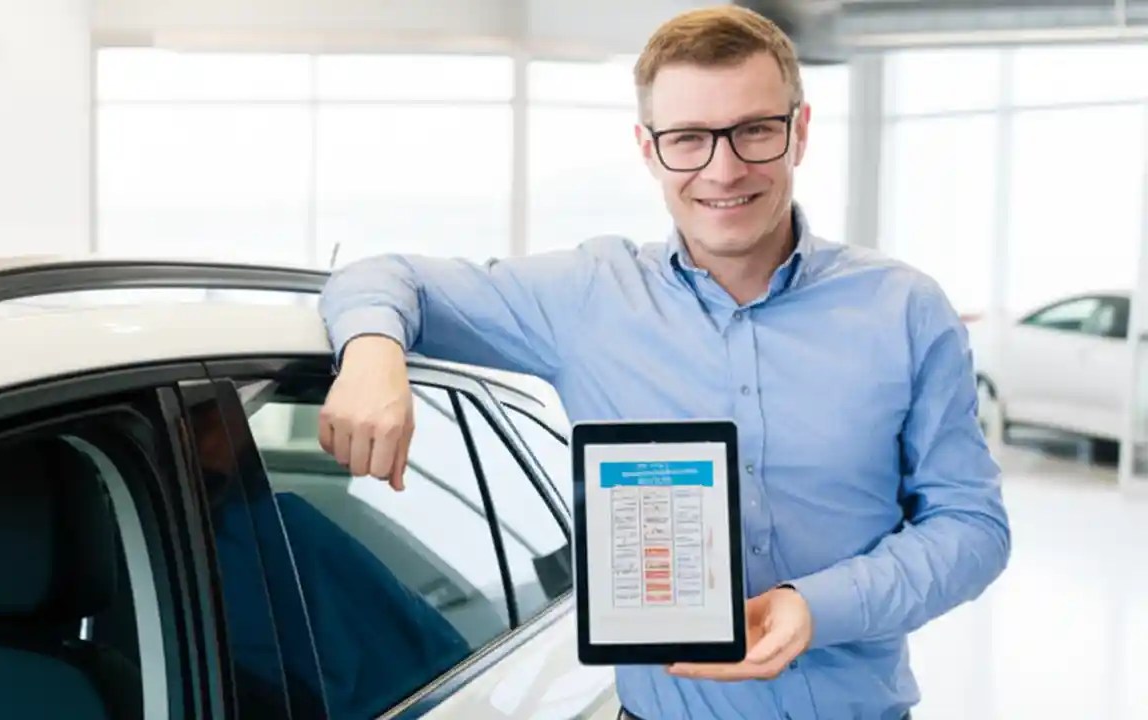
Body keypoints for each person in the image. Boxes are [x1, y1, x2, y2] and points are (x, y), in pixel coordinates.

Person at [315, 5, 1011, 719]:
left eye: (754, 131)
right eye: (688, 139)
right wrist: (372, 352)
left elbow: (972, 526)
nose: (724, 168)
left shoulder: (904, 309)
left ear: (798, 131)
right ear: (648, 149)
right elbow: (379, 278)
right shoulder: (586, 298)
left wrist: (816, 607)